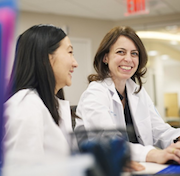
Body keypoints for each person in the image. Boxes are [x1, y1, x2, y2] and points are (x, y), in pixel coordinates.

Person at [75, 26, 180, 168]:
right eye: (120, 52)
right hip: (106, 171)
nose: (128, 59)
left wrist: (178, 139)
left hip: (141, 168)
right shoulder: (94, 94)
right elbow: (110, 143)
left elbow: (159, 130)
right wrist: (154, 154)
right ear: (105, 57)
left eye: (134, 53)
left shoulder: (137, 92)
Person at [3, 24, 78, 164]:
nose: (75, 63)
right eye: (70, 52)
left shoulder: (46, 104)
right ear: (47, 58)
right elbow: (25, 174)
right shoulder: (27, 108)